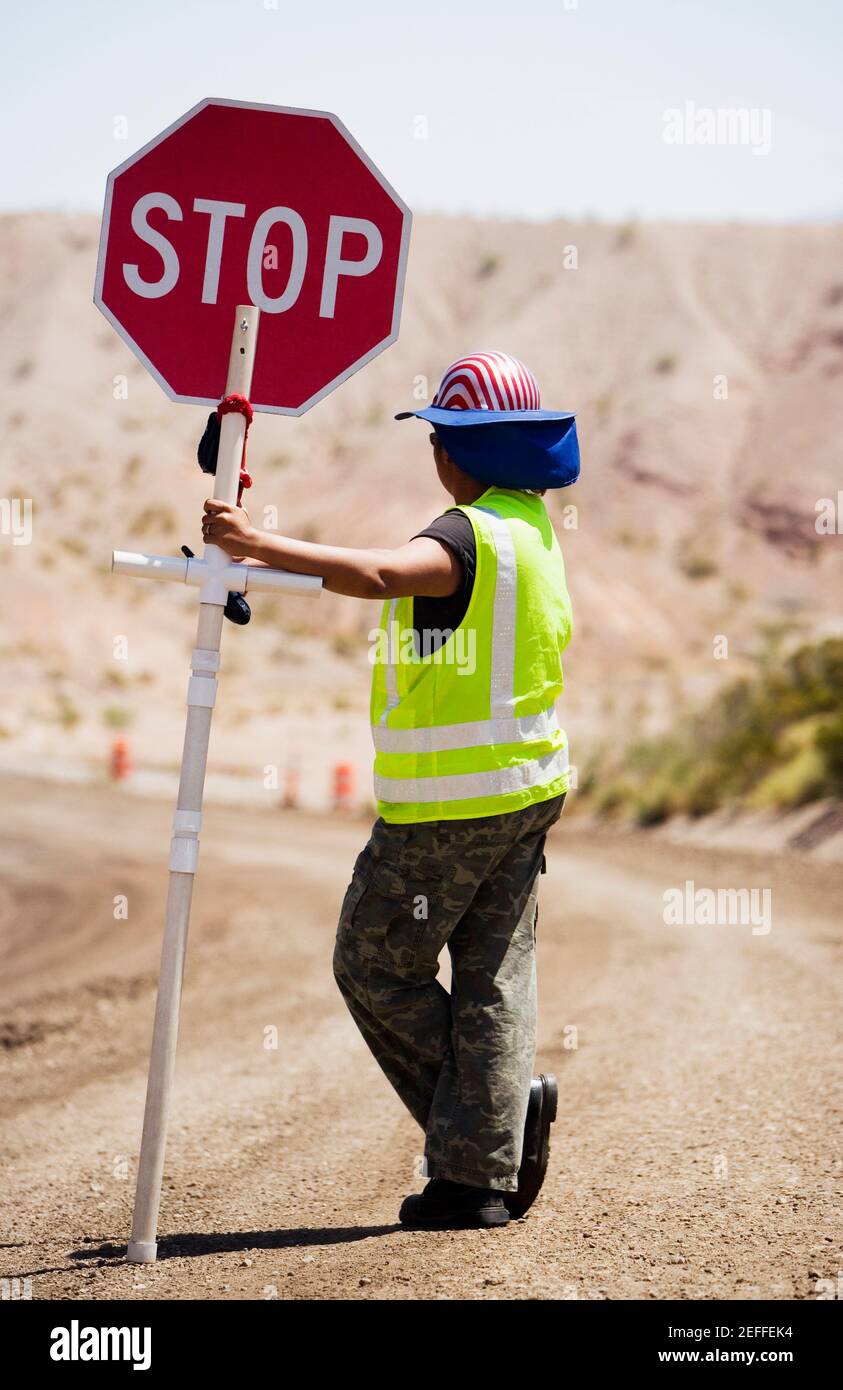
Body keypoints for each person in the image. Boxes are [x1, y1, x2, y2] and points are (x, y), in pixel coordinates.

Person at [202, 351, 579, 1229]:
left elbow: (378, 574)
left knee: (372, 962)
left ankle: (483, 1137)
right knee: (492, 979)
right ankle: (477, 1177)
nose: (436, 455)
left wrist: (253, 543)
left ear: (460, 451)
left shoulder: (463, 534)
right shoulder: (532, 531)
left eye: (441, 439)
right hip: (527, 790)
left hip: (447, 808)